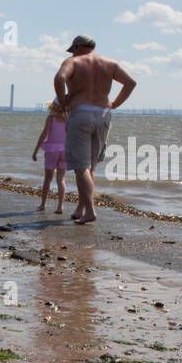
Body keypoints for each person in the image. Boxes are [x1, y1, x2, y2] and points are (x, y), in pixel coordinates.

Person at [53, 34, 136, 224]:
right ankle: (81, 208)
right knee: (89, 166)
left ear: (76, 47)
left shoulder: (73, 62)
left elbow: (59, 78)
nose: (72, 52)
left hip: (80, 112)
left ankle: (90, 211)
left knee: (81, 167)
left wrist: (64, 101)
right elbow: (131, 83)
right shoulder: (110, 63)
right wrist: (115, 103)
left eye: (72, 49)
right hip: (103, 114)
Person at [31, 101, 67, 213]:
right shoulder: (69, 118)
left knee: (48, 178)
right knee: (61, 179)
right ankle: (60, 206)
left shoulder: (51, 118)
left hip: (52, 150)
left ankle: (42, 204)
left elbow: (44, 134)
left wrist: (36, 150)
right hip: (65, 150)